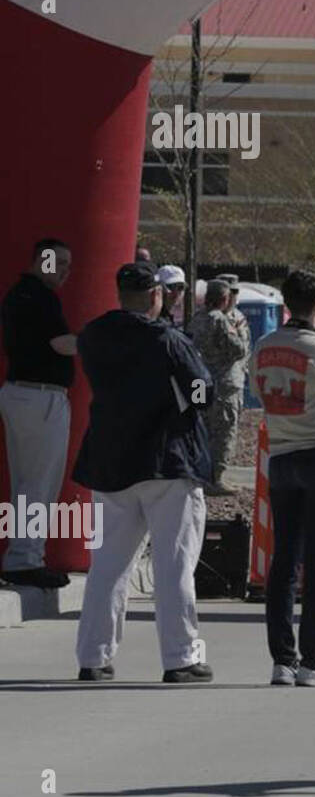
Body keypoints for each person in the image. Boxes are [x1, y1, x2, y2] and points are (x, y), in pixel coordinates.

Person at [74, 262, 214, 682]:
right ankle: (180, 657)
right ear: (155, 295)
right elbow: (202, 392)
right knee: (174, 564)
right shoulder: (168, 340)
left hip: (111, 461)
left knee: (108, 565)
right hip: (166, 461)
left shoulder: (94, 336)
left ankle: (93, 657)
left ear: (119, 293)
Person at [251, 268, 315, 688]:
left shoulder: (262, 346)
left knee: (283, 559)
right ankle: (314, 660)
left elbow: (260, 392)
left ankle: (283, 659)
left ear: (284, 305)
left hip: (282, 454)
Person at [0, 237, 77, 588]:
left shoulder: (21, 295)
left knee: (27, 483)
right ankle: (25, 559)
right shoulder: (40, 298)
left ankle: (23, 555)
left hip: (22, 394)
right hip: (40, 396)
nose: (65, 271)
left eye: (68, 265)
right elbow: (60, 343)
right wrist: (98, 341)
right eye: (58, 263)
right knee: (39, 484)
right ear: (42, 261)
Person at [186, 281, 246, 496]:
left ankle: (200, 474)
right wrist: (238, 332)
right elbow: (239, 350)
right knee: (223, 431)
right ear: (224, 299)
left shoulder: (196, 319)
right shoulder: (220, 320)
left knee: (202, 429)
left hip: (200, 382)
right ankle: (216, 478)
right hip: (222, 385)